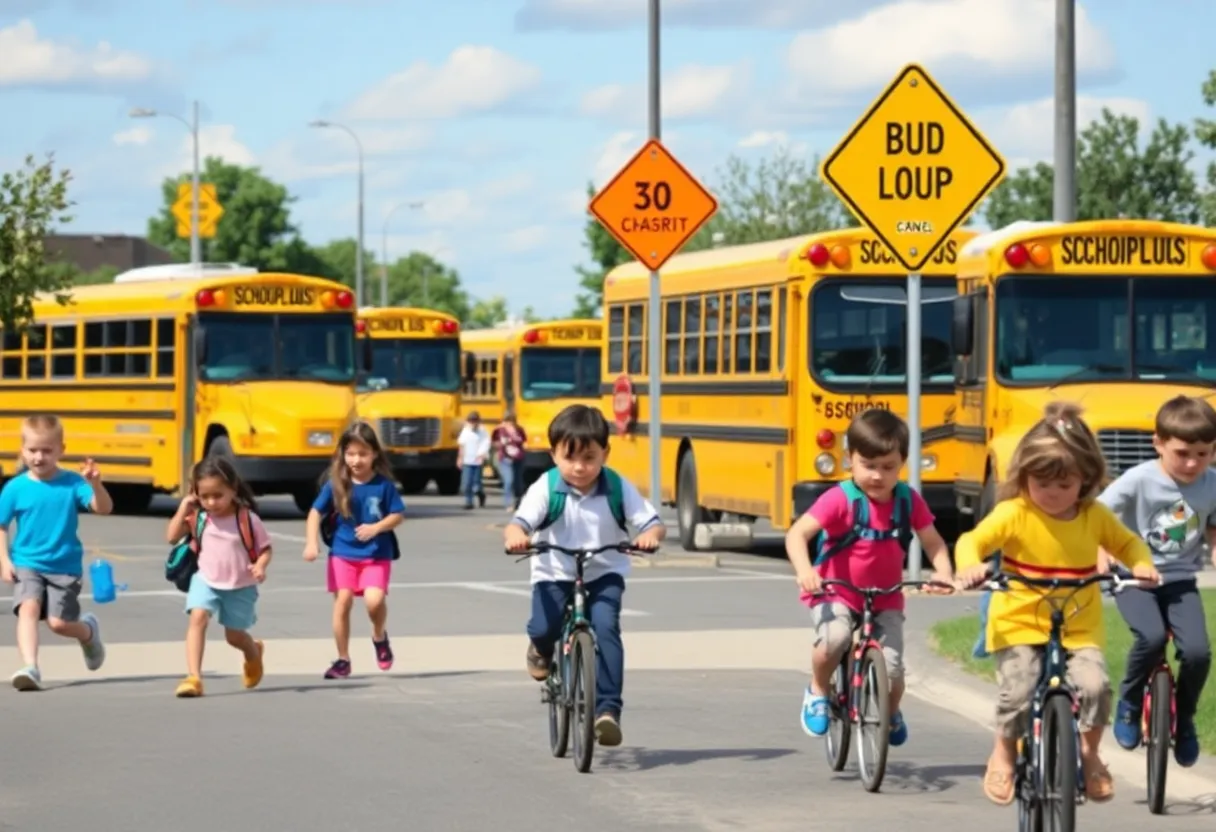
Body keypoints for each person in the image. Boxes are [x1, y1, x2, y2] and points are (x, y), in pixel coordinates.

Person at [954, 401, 1158, 806]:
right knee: (1018, 689)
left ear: (1085, 481)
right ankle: (1004, 753)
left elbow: (1128, 542)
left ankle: (1090, 753)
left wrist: (1141, 563)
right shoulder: (1013, 512)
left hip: (1079, 624)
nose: (1052, 494)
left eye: (1064, 485)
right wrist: (971, 565)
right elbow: (971, 541)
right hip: (1018, 621)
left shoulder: (1094, 515)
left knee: (1096, 686)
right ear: (1024, 477)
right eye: (1042, 483)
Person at [784, 409, 954, 746]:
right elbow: (797, 535)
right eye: (868, 466)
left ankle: (891, 712)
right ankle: (817, 689)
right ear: (850, 461)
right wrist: (806, 571)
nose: (877, 476)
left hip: (886, 596)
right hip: (836, 592)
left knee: (892, 669)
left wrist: (944, 573)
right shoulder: (840, 499)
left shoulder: (908, 501)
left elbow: (934, 543)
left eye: (888, 467)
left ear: (902, 463)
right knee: (834, 639)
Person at [504, 404, 664, 747]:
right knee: (543, 627)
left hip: (605, 570)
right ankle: (541, 649)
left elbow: (650, 522)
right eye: (570, 458)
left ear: (605, 453)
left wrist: (651, 536)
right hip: (553, 569)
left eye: (590, 458)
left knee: (606, 628)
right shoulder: (545, 487)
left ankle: (607, 711)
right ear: (554, 454)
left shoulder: (617, 486)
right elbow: (520, 522)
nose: (580, 467)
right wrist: (516, 536)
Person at [1097, 394, 1216, 767]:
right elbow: (1096, 518)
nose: (1193, 462)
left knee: (1198, 652)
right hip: (1133, 577)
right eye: (1182, 453)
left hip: (1179, 580)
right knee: (1149, 638)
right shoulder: (1139, 479)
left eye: (1204, 452)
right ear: (1158, 443)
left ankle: (1185, 720)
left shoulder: (1212, 482)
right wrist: (1101, 557)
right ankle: (1130, 701)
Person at [0, 415, 112, 691]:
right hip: (27, 562)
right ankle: (30, 667)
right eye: (33, 450)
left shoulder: (72, 483)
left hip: (64, 566)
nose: (39, 457)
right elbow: (1, 526)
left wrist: (96, 485)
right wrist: (4, 560)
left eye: (47, 451)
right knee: (28, 608)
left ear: (61, 450)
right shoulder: (15, 488)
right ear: (22, 450)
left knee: (59, 624)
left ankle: (87, 633)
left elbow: (103, 508)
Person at [305, 421, 405, 679]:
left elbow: (397, 515)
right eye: (350, 453)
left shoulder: (383, 485)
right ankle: (342, 659)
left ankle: (379, 636)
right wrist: (311, 543)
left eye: (362, 454)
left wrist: (377, 527)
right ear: (342, 454)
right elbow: (316, 511)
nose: (356, 460)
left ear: (374, 454)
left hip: (375, 554)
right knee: (343, 601)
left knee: (374, 602)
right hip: (342, 553)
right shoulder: (336, 483)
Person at [165, 456, 272, 698]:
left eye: (218, 495)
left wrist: (261, 566)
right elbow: (171, 536)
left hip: (240, 585)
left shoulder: (246, 519)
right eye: (205, 497)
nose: (212, 502)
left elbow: (265, 548)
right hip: (206, 580)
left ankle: (253, 651)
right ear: (196, 494)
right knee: (198, 618)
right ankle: (194, 677)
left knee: (234, 636)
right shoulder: (199, 517)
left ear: (233, 489)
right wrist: (185, 506)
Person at [492, 410, 527, 512]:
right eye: (507, 421)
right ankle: (508, 503)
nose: (509, 423)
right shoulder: (499, 430)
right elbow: (494, 442)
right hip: (505, 458)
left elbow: (523, 440)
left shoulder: (519, 430)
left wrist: (514, 438)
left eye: (511, 421)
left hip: (518, 458)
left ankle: (518, 502)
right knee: (509, 480)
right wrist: (499, 445)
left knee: (518, 482)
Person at [457, 411, 490, 510]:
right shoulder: (465, 431)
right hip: (467, 460)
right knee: (466, 483)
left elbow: (486, 443)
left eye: (474, 420)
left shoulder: (483, 431)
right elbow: (462, 445)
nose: (473, 423)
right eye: (471, 421)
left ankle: (481, 495)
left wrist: (482, 454)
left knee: (476, 484)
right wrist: (460, 458)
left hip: (477, 460)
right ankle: (469, 502)